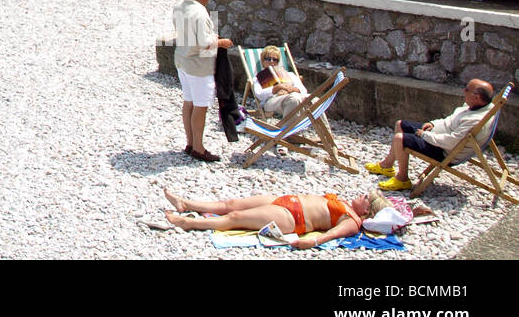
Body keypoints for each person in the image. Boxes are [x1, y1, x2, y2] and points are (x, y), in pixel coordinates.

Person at [366, 79, 494, 191]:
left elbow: (451, 142)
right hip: (438, 136)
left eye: (467, 89)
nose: (463, 91)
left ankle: (402, 178)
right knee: (400, 124)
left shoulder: (474, 120)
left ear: (477, 97)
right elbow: (449, 121)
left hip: (444, 151)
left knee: (399, 139)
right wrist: (433, 124)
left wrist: (424, 136)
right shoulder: (477, 106)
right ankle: (387, 165)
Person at [162, 186, 386, 249]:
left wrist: (313, 241)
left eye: (366, 197)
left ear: (367, 210)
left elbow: (333, 234)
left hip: (292, 217)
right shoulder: (347, 205)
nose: (361, 195)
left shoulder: (353, 221)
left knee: (236, 217)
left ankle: (189, 222)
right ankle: (186, 204)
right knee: (230, 204)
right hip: (286, 200)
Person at [173, 0, 233, 162]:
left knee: (188, 102)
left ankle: (190, 143)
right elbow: (203, 42)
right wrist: (221, 42)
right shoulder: (200, 13)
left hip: (182, 59)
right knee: (201, 106)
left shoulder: (179, 6)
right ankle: (199, 148)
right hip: (198, 66)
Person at [253, 45, 309, 117]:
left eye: (275, 59)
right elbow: (259, 95)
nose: (272, 62)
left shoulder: (289, 74)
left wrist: (289, 89)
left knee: (313, 99)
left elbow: (303, 90)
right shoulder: (259, 78)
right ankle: (288, 128)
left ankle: (324, 128)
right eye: (268, 59)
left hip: (293, 96)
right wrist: (277, 88)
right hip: (272, 101)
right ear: (263, 62)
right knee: (293, 100)